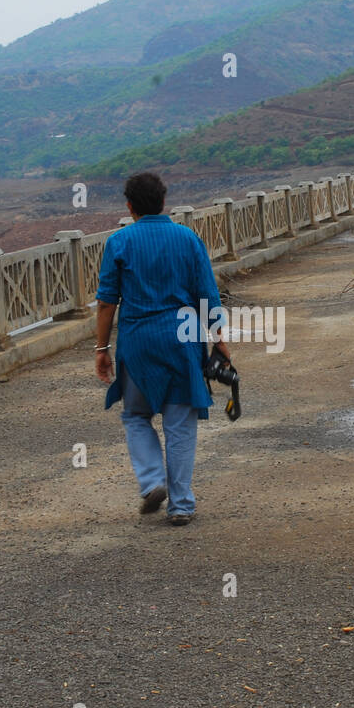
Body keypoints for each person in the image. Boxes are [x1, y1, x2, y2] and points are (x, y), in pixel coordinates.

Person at [93, 172, 230, 526]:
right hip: (182, 339)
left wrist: (101, 348)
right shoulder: (187, 238)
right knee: (180, 424)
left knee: (136, 416)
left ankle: (153, 481)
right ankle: (181, 505)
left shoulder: (119, 241)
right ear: (163, 202)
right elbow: (206, 294)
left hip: (138, 342)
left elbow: (107, 303)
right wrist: (220, 340)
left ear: (130, 206)